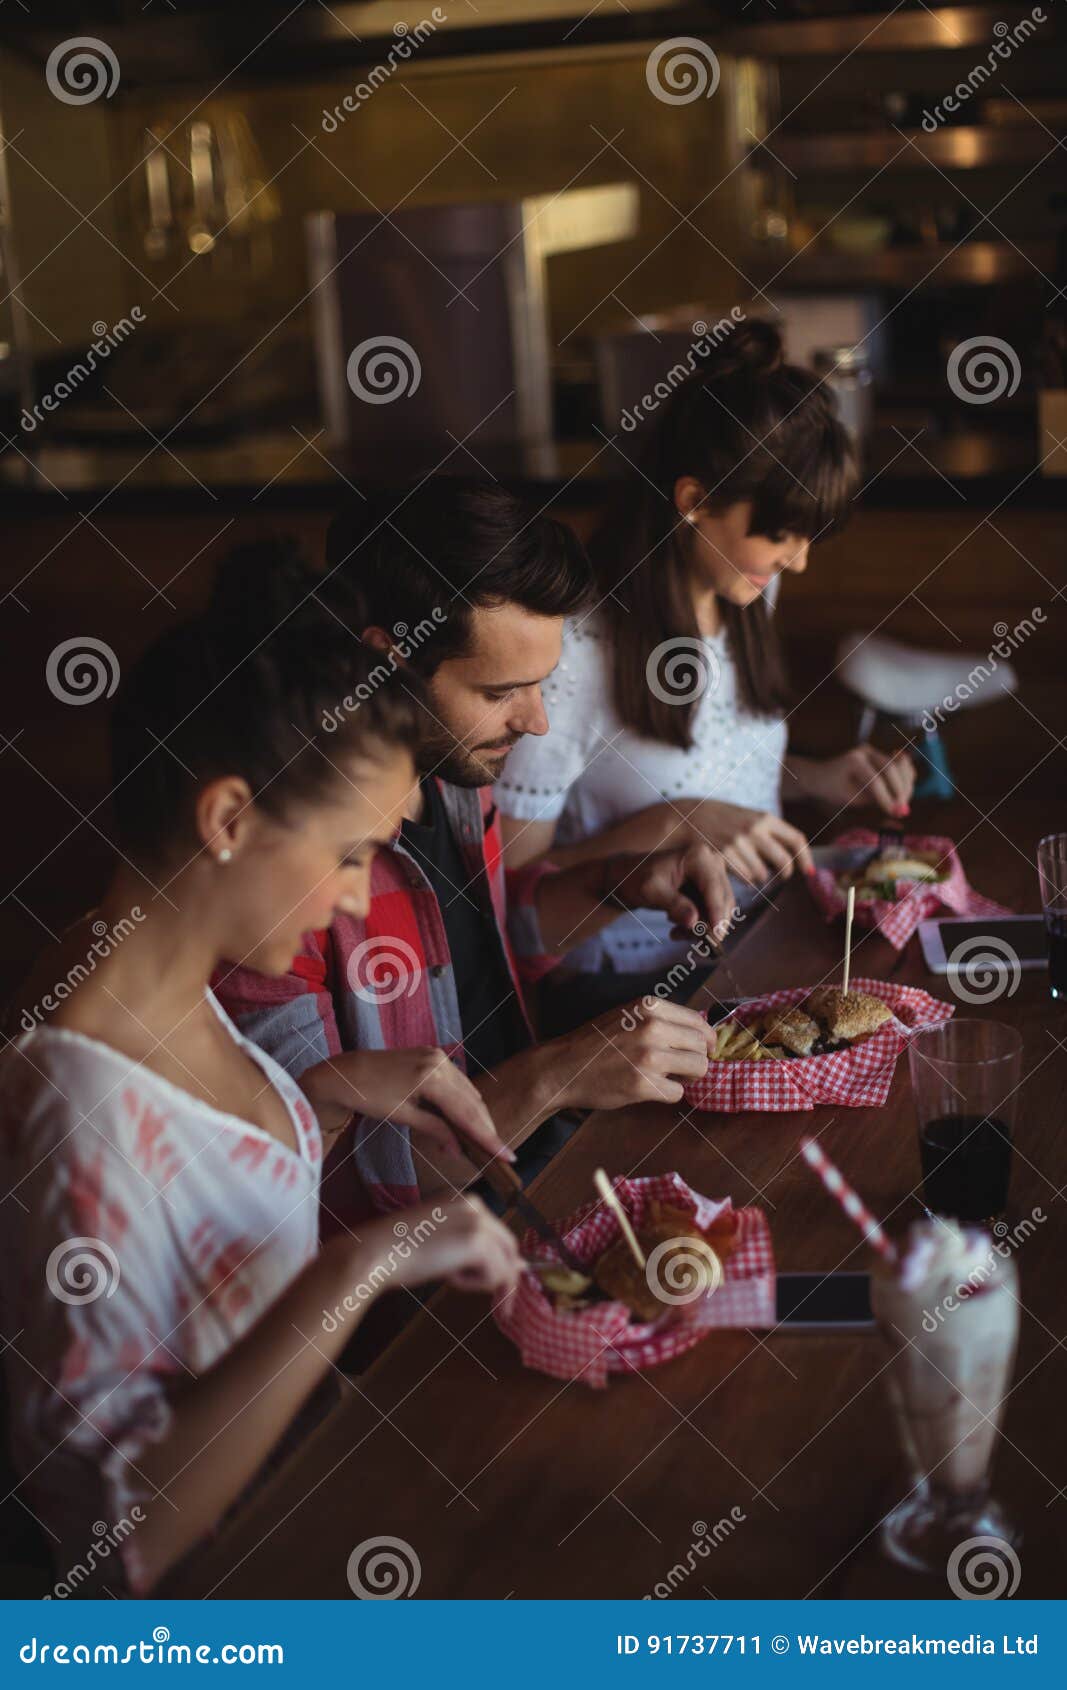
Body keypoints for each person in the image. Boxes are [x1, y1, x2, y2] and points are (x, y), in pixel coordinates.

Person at [0, 540, 522, 1596]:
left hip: (307, 1517)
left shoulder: (169, 981)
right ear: (228, 817)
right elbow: (119, 1522)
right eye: (346, 854)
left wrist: (328, 1097)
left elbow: (201, 1226)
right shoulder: (78, 1104)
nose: (351, 895)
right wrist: (361, 1264)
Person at [215, 481, 734, 1218]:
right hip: (427, 1251)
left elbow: (483, 936)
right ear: (388, 663)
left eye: (541, 686)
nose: (537, 722)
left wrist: (617, 886)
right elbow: (330, 1187)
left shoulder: (457, 770)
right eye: (500, 693)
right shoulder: (287, 863)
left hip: (538, 1166)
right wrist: (557, 1076)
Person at [494, 320, 916, 975]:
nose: (797, 562)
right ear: (693, 501)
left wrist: (819, 775)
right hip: (635, 988)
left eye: (808, 537)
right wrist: (675, 822)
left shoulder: (744, 590)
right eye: (781, 533)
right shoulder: (573, 653)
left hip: (755, 946)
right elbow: (511, 890)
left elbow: (712, 767)